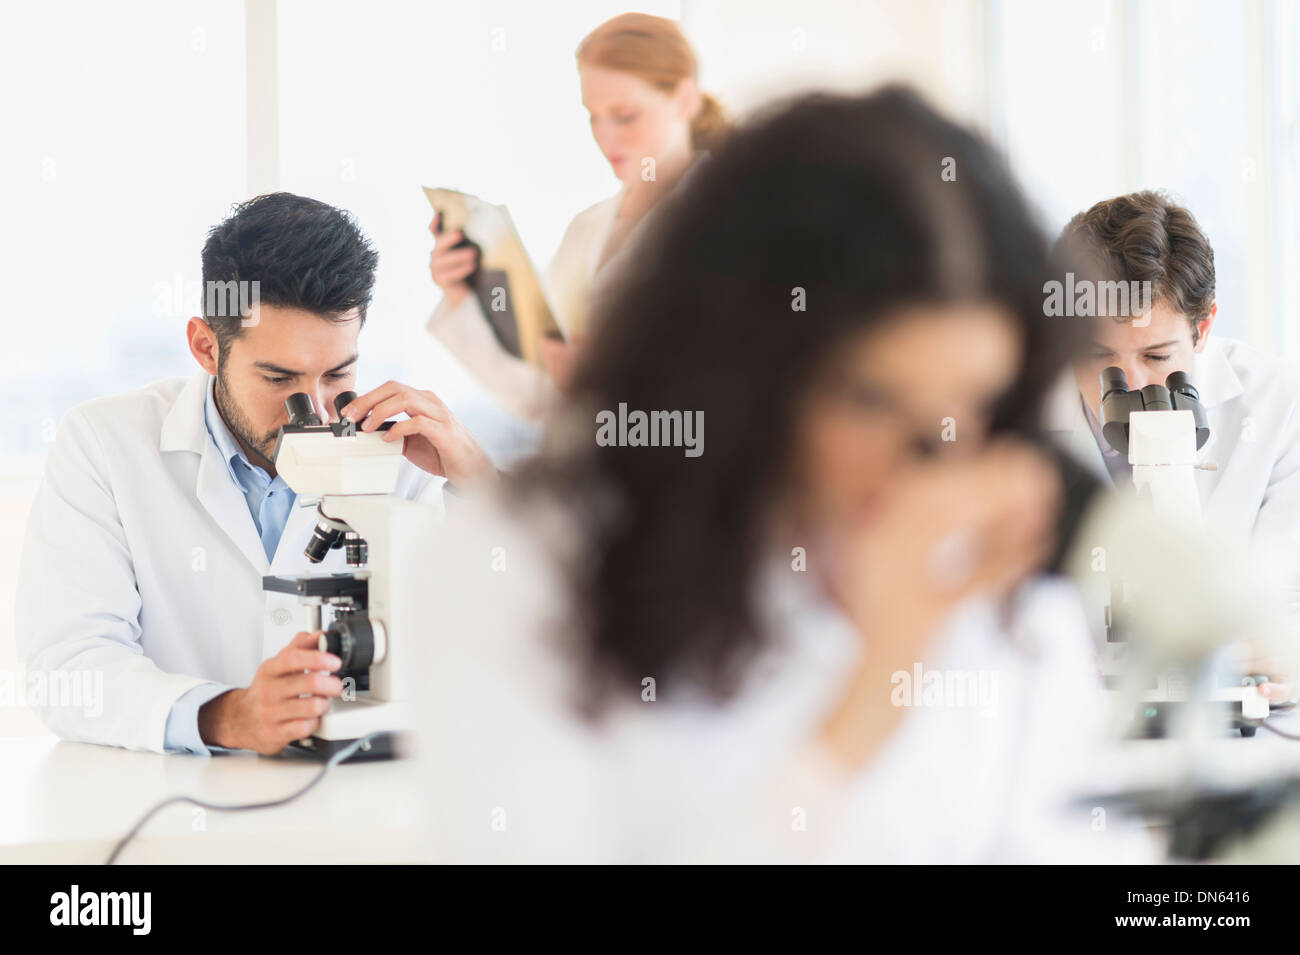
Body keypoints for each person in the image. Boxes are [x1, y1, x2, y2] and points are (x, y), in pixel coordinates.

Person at [412, 87, 1150, 863]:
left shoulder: (995, 564)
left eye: (972, 403)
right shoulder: (526, 564)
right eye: (871, 400)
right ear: (740, 373)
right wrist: (877, 683)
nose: (929, 460)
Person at [16, 192, 496, 756]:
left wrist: (480, 484)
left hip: (371, 792)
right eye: (278, 379)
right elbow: (67, 667)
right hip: (181, 796)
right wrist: (226, 715)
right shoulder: (104, 445)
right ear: (206, 347)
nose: (316, 411)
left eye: (338, 375)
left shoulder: (404, 455)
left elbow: (517, 645)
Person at [1045, 191, 1300, 688]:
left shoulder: (1278, 405)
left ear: (1202, 328)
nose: (1131, 385)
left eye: (1158, 356)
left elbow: (1287, 606)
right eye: (1098, 355)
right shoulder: (1024, 418)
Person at [426, 12, 727, 420]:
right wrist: (462, 294)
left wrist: (606, 382)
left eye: (625, 116)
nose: (605, 137)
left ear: (685, 99)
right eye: (593, 116)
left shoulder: (733, 221)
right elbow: (538, 396)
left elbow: (748, 393)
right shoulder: (587, 228)